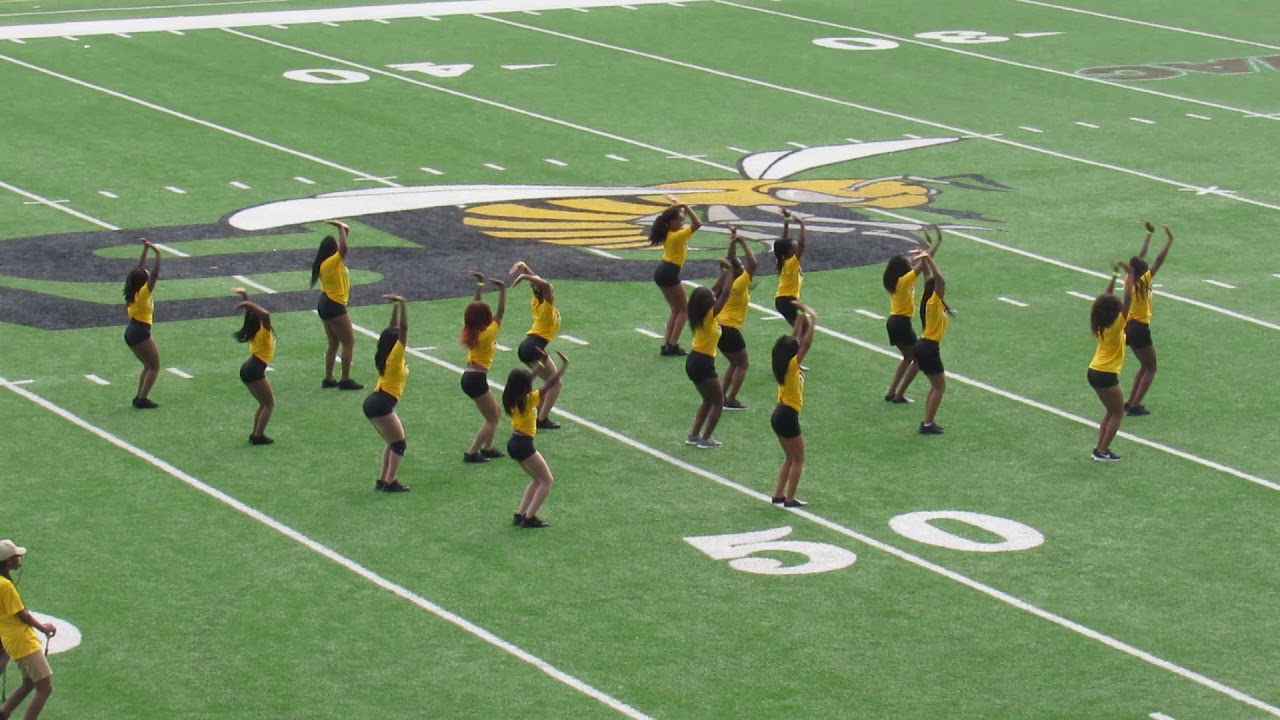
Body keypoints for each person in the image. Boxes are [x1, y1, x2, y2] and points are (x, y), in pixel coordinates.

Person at [504, 350, 570, 528]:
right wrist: (563, 366)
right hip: (524, 444)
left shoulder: (511, 397)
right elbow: (550, 382)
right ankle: (529, 517)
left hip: (514, 443)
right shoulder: (530, 399)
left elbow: (528, 379)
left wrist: (542, 362)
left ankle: (520, 513)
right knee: (547, 481)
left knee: (536, 479)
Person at [883, 225, 942, 403]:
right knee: (917, 360)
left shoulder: (895, 281)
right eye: (908, 262)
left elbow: (922, 263)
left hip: (893, 322)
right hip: (901, 322)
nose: (910, 262)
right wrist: (935, 245)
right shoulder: (905, 280)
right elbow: (924, 263)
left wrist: (925, 248)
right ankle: (899, 394)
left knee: (908, 358)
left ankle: (892, 391)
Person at [0, 539, 56, 720]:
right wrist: (43, 627)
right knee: (45, 687)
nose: (20, 559)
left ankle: (3, 713)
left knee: (29, 682)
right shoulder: (5, 586)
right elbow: (22, 614)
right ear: (8, 561)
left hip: (10, 639)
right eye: (17, 557)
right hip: (23, 640)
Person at [1125, 222, 1174, 417]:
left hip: (1130, 327)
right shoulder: (1144, 282)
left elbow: (1141, 256)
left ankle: (1130, 402)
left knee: (1144, 365)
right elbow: (1158, 260)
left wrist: (1149, 234)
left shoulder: (1130, 280)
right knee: (1151, 367)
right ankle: (1135, 405)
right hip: (1140, 327)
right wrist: (1169, 240)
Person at [362, 295, 411, 492]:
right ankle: (390, 482)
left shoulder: (384, 354)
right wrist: (404, 304)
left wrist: (396, 307)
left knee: (392, 442)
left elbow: (392, 331)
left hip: (376, 401)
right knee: (399, 444)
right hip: (381, 403)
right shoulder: (395, 358)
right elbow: (403, 331)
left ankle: (383, 479)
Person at [771, 302, 817, 508]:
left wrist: (799, 318)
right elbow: (804, 344)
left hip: (779, 413)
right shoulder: (792, 364)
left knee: (789, 457)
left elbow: (795, 340)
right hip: (788, 414)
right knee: (798, 459)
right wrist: (812, 322)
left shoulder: (782, 363)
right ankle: (790, 498)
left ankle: (778, 494)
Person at [684, 263, 734, 448]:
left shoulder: (698, 313)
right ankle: (706, 438)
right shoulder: (710, 315)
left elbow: (714, 291)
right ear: (707, 304)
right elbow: (725, 294)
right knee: (718, 401)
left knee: (707, 400)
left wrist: (723, 274)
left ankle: (694, 435)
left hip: (694, 360)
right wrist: (731, 273)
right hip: (703, 362)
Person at [460, 272, 508, 463]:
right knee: (492, 418)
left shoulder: (471, 330)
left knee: (495, 410)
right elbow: (501, 312)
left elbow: (475, 308)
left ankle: (488, 448)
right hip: (476, 379)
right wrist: (503, 290)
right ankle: (472, 452)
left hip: (471, 376)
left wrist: (480, 284)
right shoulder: (487, 333)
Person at [509, 261, 563, 430]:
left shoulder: (537, 301)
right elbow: (543, 284)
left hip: (529, 346)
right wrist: (525, 276)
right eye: (551, 291)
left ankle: (537, 414)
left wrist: (525, 268)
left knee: (549, 382)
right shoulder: (546, 308)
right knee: (556, 383)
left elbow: (538, 284)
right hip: (534, 347)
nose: (552, 292)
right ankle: (542, 419)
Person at [1088, 262, 1134, 461]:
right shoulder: (1117, 325)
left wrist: (1115, 275)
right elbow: (1129, 297)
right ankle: (1102, 450)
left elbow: (1104, 299)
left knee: (1111, 410)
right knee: (1118, 412)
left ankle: (1100, 448)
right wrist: (1130, 274)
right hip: (1107, 373)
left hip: (1094, 371)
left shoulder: (1099, 323)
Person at [310, 219, 362, 390]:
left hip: (325, 303)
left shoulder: (327, 262)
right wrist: (340, 227)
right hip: (334, 305)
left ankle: (329, 378)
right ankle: (345, 379)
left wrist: (344, 230)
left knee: (333, 342)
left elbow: (342, 245)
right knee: (349, 342)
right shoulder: (332, 263)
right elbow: (345, 248)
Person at [649, 196, 702, 356]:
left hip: (663, 271)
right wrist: (685, 205)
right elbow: (698, 224)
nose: (682, 223)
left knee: (675, 310)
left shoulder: (670, 233)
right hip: (669, 272)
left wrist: (680, 207)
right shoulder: (678, 235)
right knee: (684, 309)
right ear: (671, 222)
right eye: (679, 221)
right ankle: (672, 344)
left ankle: (667, 344)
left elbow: (681, 218)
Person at [912, 252, 955, 435]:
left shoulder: (928, 300)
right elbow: (937, 277)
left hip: (925, 346)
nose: (944, 289)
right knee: (939, 386)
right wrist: (929, 258)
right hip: (928, 346)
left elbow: (928, 277)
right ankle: (928, 424)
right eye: (942, 287)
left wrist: (924, 259)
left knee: (936, 385)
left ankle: (928, 421)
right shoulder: (934, 301)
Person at [714, 228, 757, 410]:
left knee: (733, 363)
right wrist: (743, 242)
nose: (743, 267)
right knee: (742, 364)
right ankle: (731, 399)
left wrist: (733, 243)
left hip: (718, 327)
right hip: (730, 328)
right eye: (740, 266)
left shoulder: (726, 280)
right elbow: (753, 263)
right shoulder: (740, 282)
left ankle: (721, 397)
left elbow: (731, 262)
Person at [231, 288, 276, 445]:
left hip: (249, 369)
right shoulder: (264, 332)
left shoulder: (256, 331)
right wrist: (245, 303)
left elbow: (255, 313)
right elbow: (265, 314)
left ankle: (256, 433)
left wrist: (246, 299)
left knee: (263, 404)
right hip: (255, 370)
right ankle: (258, 436)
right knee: (269, 404)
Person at [124, 238, 161, 409]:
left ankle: (140, 396)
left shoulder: (132, 289)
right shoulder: (144, 293)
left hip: (132, 331)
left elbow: (137, 270)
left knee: (147, 366)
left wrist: (145, 250)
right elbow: (154, 275)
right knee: (154, 367)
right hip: (140, 332)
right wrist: (158, 254)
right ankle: (142, 398)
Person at [772, 209, 806, 326]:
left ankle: (794, 344)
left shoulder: (782, 261)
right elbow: (802, 245)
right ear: (788, 251)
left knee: (800, 330)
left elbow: (783, 241)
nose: (796, 246)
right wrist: (802, 225)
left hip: (782, 301)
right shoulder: (791, 263)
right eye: (793, 246)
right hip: (788, 301)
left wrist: (786, 220)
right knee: (804, 329)